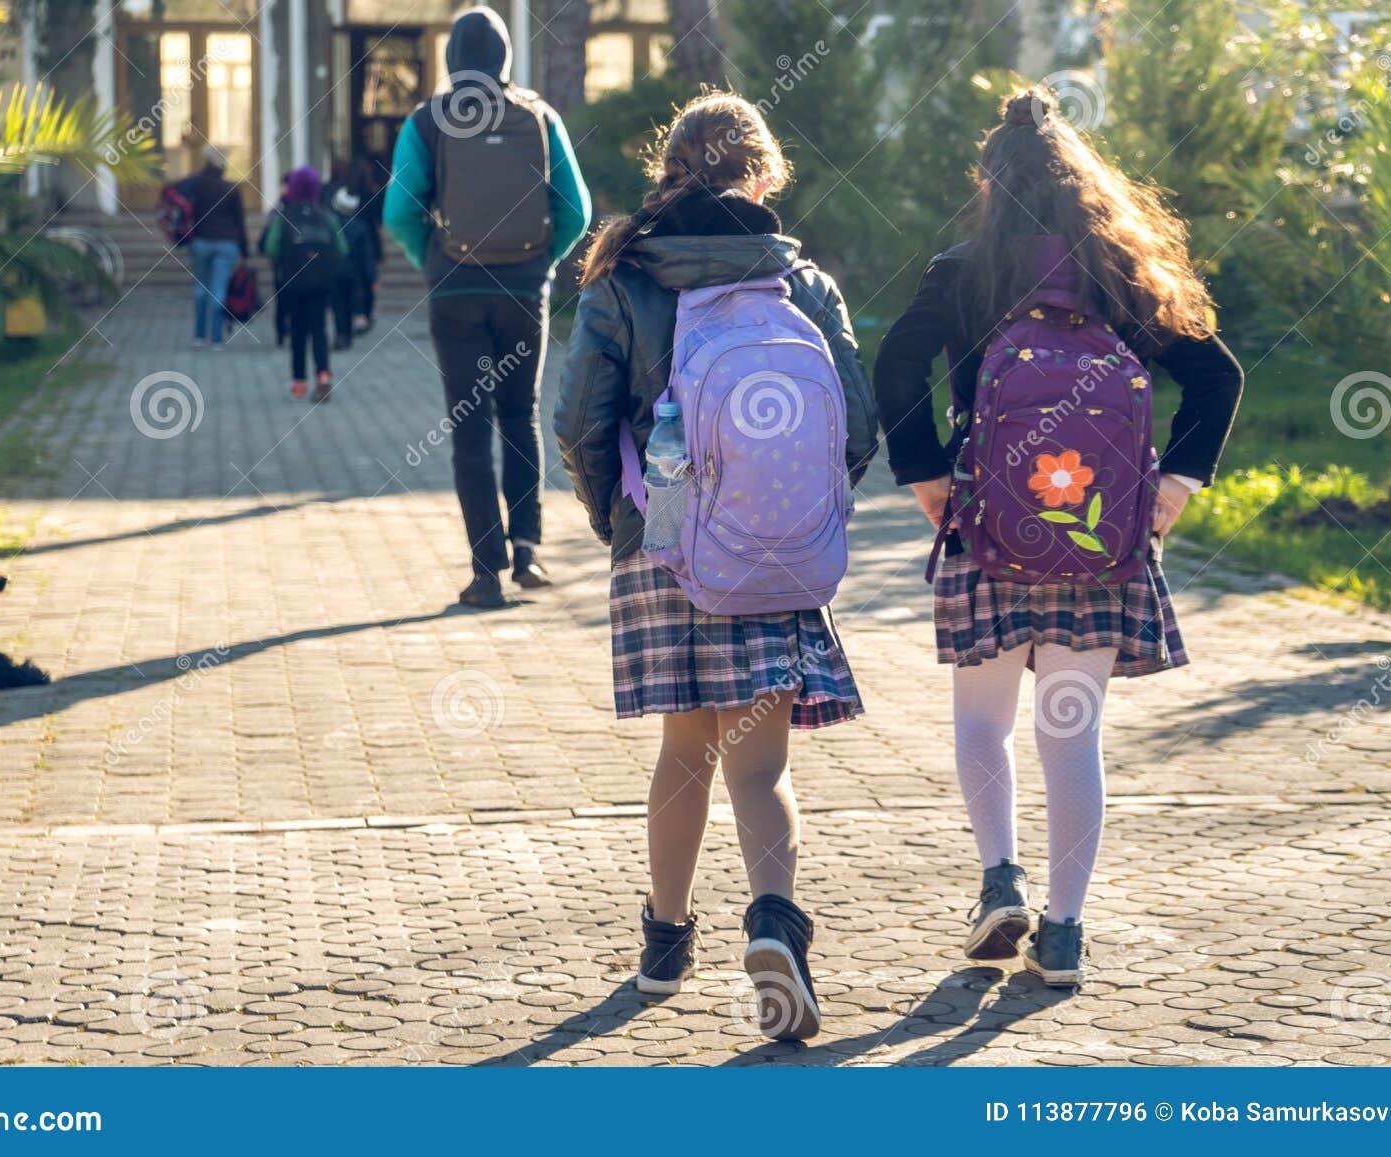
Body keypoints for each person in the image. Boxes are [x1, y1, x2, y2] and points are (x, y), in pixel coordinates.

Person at [874, 87, 1244, 988]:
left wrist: (925, 470)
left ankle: (999, 879)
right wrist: (1177, 485)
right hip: (1101, 534)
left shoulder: (964, 270)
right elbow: (1217, 374)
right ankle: (1066, 931)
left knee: (981, 721)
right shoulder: (1119, 274)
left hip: (988, 520)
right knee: (1070, 736)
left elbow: (892, 362)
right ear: (1084, 183)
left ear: (991, 184)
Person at [554, 93, 877, 1041]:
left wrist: (619, 517)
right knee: (761, 763)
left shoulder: (622, 277)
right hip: (773, 548)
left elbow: (579, 421)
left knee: (684, 752)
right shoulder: (801, 283)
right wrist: (803, 508)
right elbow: (854, 423)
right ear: (766, 174)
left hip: (663, 539)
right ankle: (775, 921)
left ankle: (664, 942)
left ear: (670, 168)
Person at [384, 5, 591, 608]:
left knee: (468, 428)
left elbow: (399, 211)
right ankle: (528, 550)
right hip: (523, 291)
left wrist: (435, 260)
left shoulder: (428, 120)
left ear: (451, 58)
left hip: (455, 289)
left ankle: (485, 574)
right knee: (520, 415)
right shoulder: (539, 115)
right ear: (504, 57)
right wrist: (539, 265)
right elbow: (575, 209)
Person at [261, 166, 346, 402]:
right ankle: (323, 376)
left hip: (293, 283)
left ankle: (299, 382)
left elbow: (271, 248)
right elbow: (342, 249)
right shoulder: (327, 216)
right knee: (319, 330)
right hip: (321, 283)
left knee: (297, 332)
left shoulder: (284, 216)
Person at [186, 143, 248, 349]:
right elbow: (240, 222)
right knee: (218, 290)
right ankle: (216, 338)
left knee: (201, 289)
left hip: (201, 242)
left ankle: (199, 335)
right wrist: (244, 250)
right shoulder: (231, 188)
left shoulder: (195, 185)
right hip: (226, 243)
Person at [323, 161, 382, 346]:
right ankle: (357, 322)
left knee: (339, 301)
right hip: (355, 267)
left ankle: (342, 334)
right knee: (353, 296)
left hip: (337, 267)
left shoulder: (332, 225)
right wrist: (371, 275)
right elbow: (367, 254)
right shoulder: (361, 226)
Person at [260, 179, 290, 348]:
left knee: (282, 299)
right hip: (286, 264)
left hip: (282, 265)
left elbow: (270, 245)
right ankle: (285, 331)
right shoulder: (278, 211)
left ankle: (282, 333)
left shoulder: (278, 211)